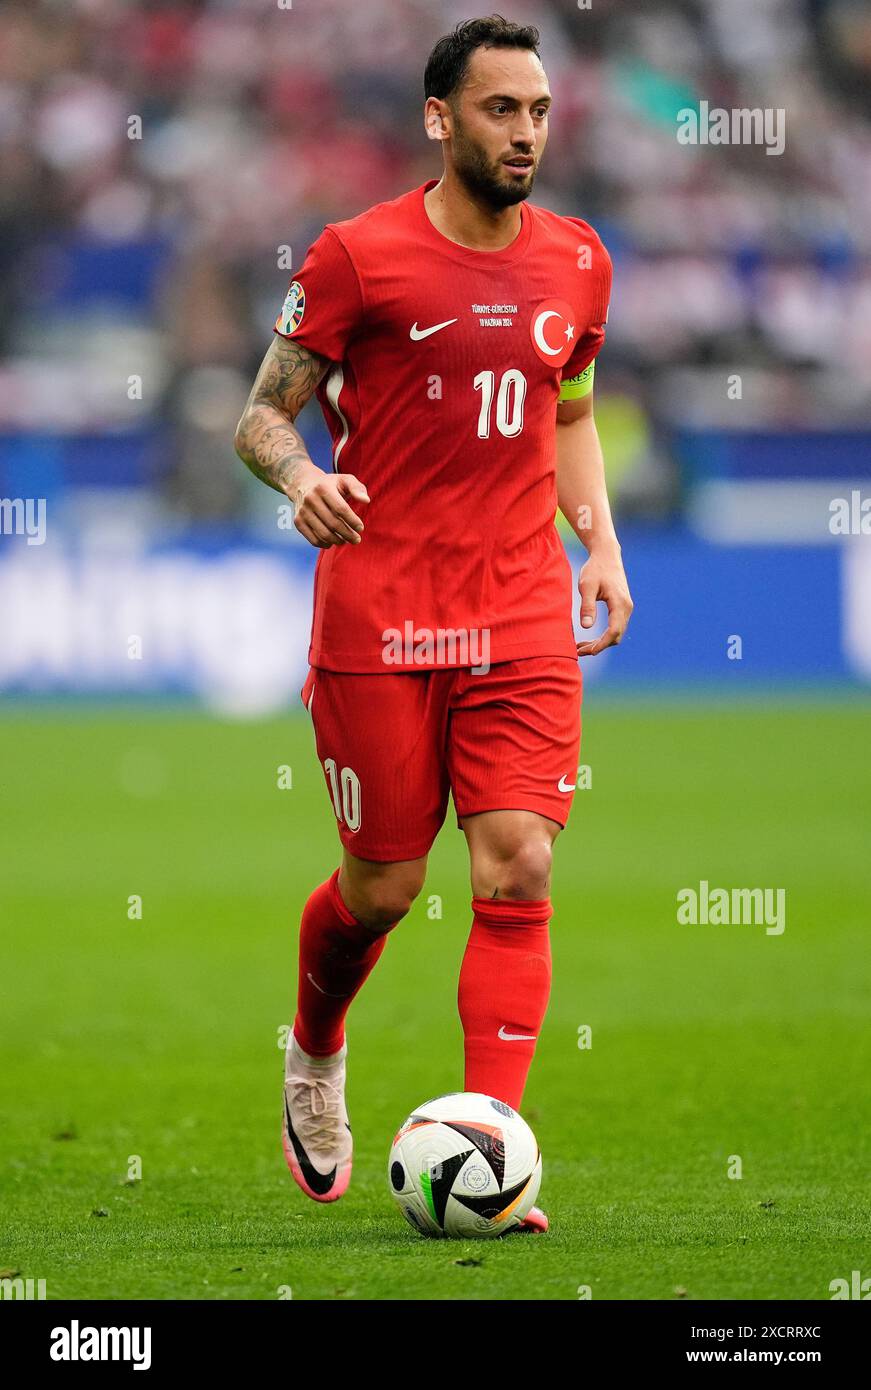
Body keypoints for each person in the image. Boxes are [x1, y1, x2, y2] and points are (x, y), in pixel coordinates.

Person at [234, 14, 633, 1232]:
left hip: (516, 608)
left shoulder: (578, 261)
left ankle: (487, 1145)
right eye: (500, 110)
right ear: (439, 118)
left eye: (539, 111)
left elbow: (567, 410)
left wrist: (598, 537)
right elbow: (259, 417)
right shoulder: (359, 258)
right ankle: (315, 1048)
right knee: (382, 888)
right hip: (382, 614)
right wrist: (303, 480)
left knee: (519, 860)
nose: (525, 133)